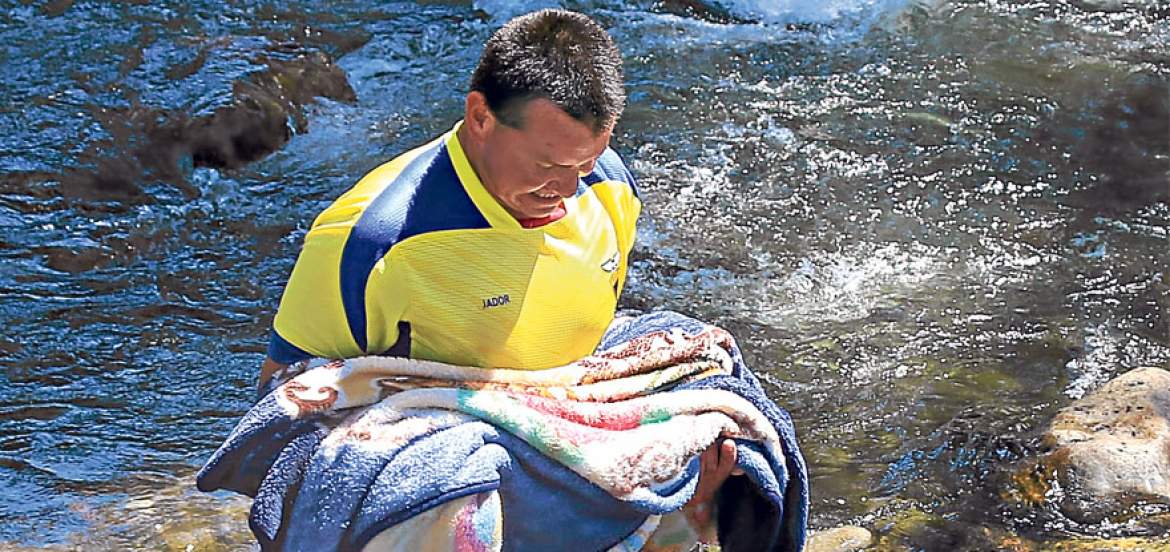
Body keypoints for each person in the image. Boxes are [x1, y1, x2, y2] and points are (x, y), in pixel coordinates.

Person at [256, 7, 737, 529]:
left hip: (575, 443)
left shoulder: (610, 188)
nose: (567, 189)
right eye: (548, 165)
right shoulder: (372, 241)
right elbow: (282, 414)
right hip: (445, 485)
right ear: (480, 117)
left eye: (585, 163)